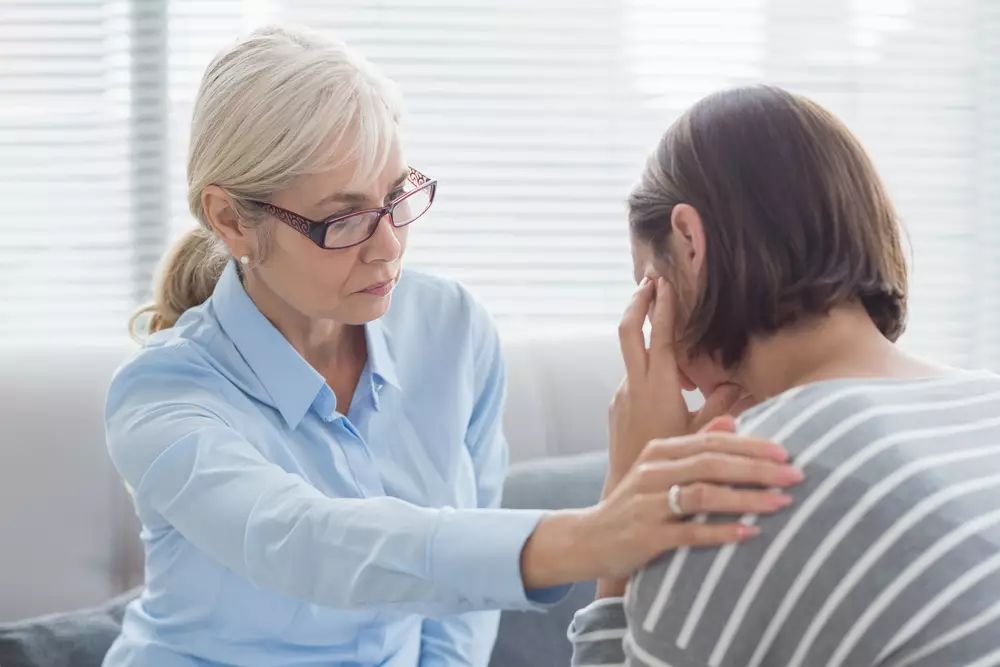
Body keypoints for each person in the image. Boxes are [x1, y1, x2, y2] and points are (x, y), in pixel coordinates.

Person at [102, 27, 802, 667]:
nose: (389, 247)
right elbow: (306, 538)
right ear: (232, 220)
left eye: (396, 195)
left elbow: (459, 608)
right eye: (343, 218)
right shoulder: (164, 397)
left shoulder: (450, 330)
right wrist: (593, 536)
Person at [569, 85, 1000, 667]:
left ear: (691, 242)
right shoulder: (985, 401)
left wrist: (633, 486)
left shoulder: (746, 474)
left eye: (650, 284)